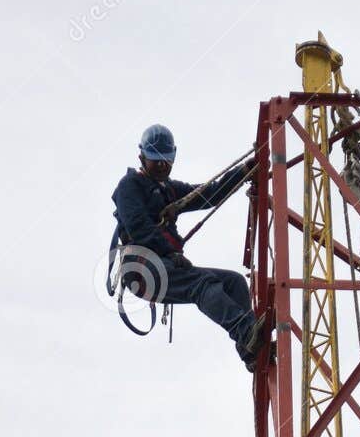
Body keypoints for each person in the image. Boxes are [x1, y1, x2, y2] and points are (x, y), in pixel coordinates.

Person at [111, 124, 266, 367]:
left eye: (166, 161)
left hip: (163, 264)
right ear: (141, 158)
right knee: (201, 284)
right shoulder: (129, 186)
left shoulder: (168, 190)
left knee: (233, 282)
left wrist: (245, 170)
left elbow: (208, 194)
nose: (162, 166)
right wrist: (170, 252)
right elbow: (138, 226)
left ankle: (249, 349)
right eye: (156, 161)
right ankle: (247, 332)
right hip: (142, 268)